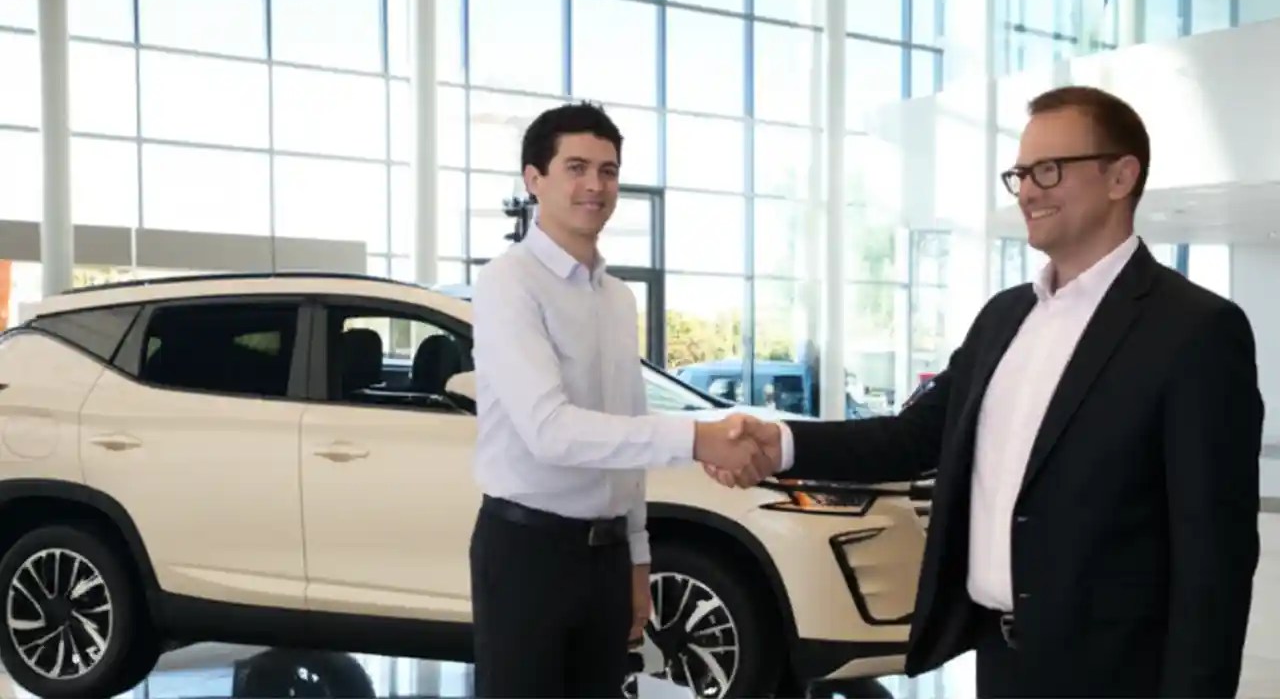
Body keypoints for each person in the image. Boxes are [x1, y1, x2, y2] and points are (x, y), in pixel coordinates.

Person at [715, 86, 1264, 697]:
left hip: (1118, 674)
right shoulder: (1005, 317)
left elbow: (1214, 556)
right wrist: (783, 442)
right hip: (1000, 661)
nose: (1029, 190)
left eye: (1050, 170)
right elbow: (913, 437)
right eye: (1021, 173)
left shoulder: (1194, 330)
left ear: (1121, 177)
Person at [468, 101, 767, 698]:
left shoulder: (617, 298)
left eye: (608, 171)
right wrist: (697, 440)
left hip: (605, 559)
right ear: (535, 179)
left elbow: (623, 429)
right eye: (576, 167)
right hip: (528, 552)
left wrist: (636, 555)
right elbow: (551, 431)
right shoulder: (509, 282)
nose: (595, 185)